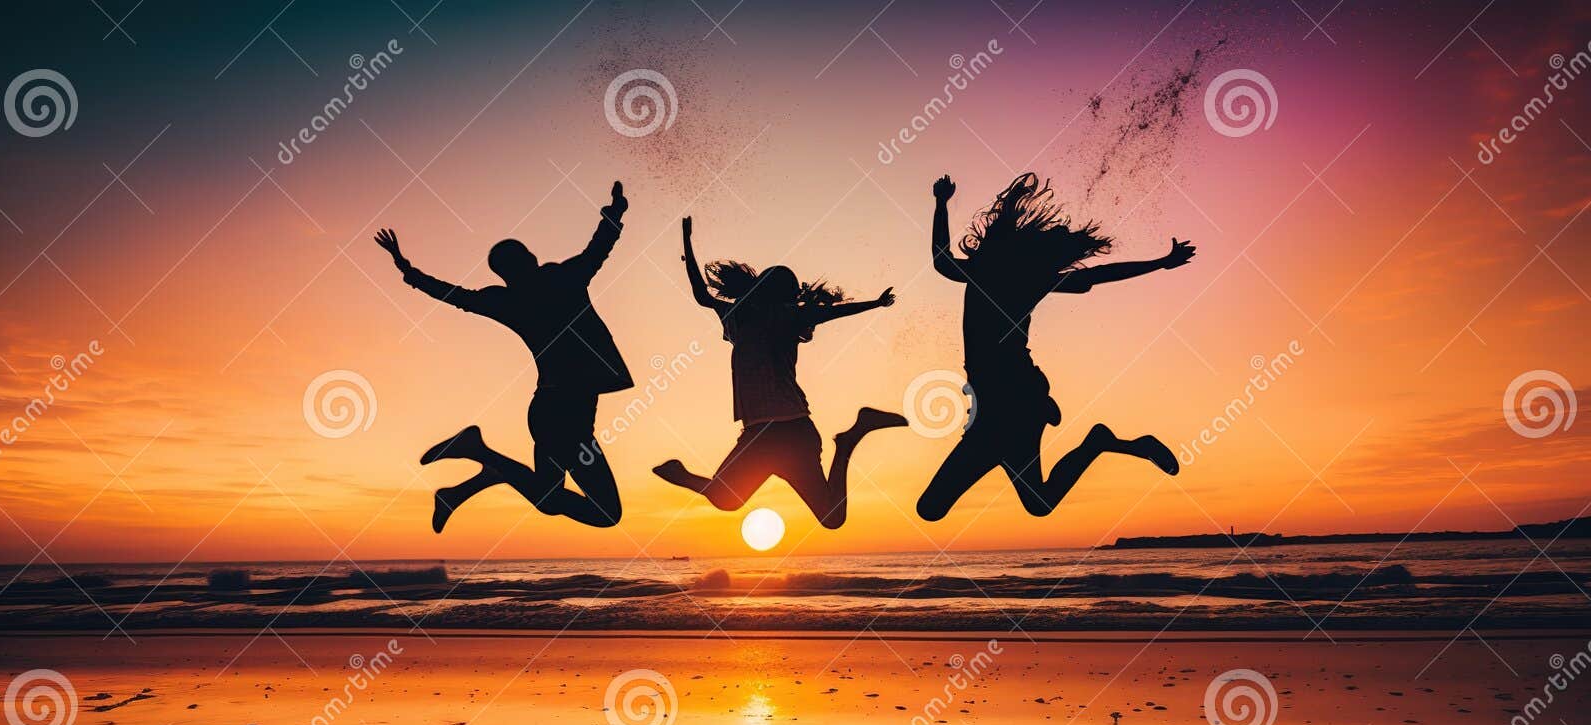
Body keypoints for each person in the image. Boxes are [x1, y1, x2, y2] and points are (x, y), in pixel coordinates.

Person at [917, 172, 1195, 522]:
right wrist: (1160, 263)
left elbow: (1099, 275)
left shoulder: (1010, 276)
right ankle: (1098, 443)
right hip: (999, 401)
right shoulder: (1002, 274)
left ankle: (1085, 440)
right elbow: (942, 260)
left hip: (1016, 398)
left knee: (948, 508)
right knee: (1025, 504)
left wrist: (940, 203)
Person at [373, 181, 634, 531]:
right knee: (600, 513)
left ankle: (472, 470)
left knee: (548, 497)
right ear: (528, 259)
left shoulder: (506, 300)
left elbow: (456, 295)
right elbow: (599, 248)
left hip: (550, 409)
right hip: (566, 413)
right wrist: (615, 211)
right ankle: (479, 453)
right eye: (526, 253)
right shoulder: (563, 279)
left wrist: (408, 271)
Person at [651, 217, 908, 529]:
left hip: (777, 432)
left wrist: (686, 241)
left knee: (730, 499)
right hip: (785, 431)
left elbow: (701, 293)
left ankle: (849, 440)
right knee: (825, 517)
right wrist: (875, 304)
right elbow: (702, 294)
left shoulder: (768, 315)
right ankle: (848, 440)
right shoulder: (752, 314)